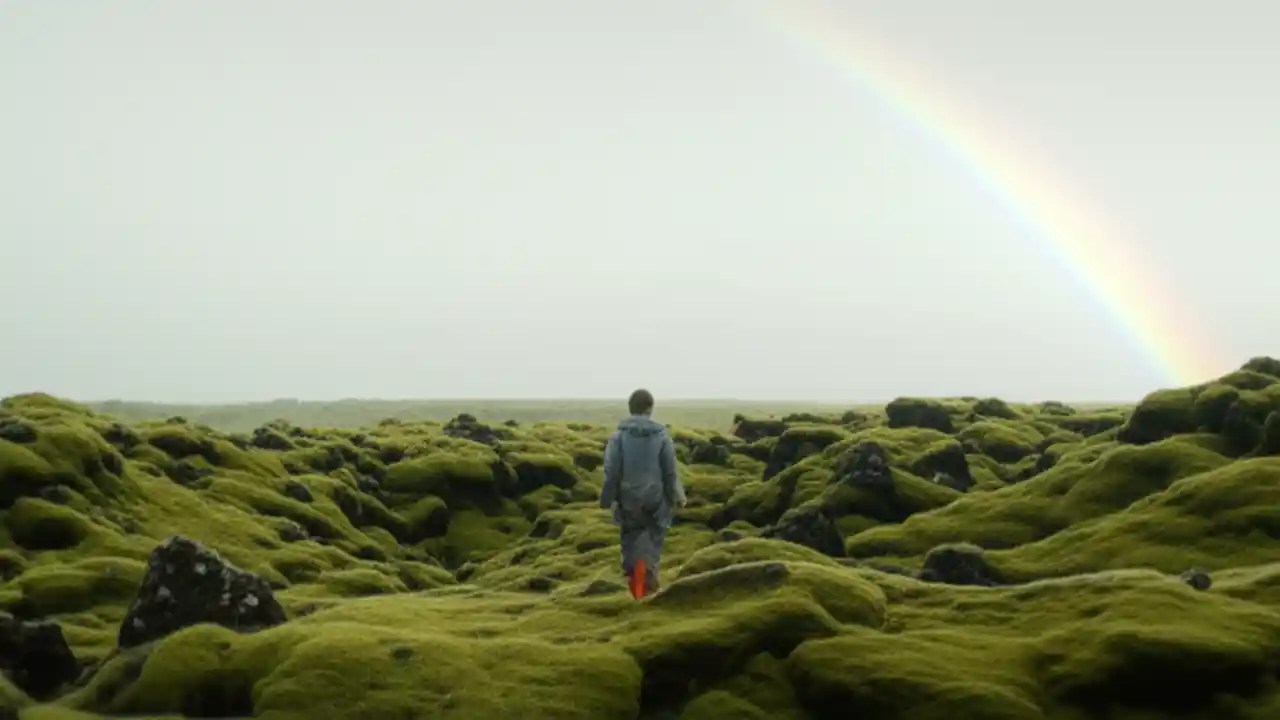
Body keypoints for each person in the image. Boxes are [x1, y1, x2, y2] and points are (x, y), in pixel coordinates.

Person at [599, 388, 686, 597]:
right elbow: (670, 472)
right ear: (650, 409)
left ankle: (638, 590)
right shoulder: (662, 436)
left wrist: (606, 498)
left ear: (630, 409)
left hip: (628, 501)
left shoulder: (618, 437)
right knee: (651, 546)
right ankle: (647, 586)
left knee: (630, 545)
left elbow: (612, 472)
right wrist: (677, 497)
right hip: (656, 502)